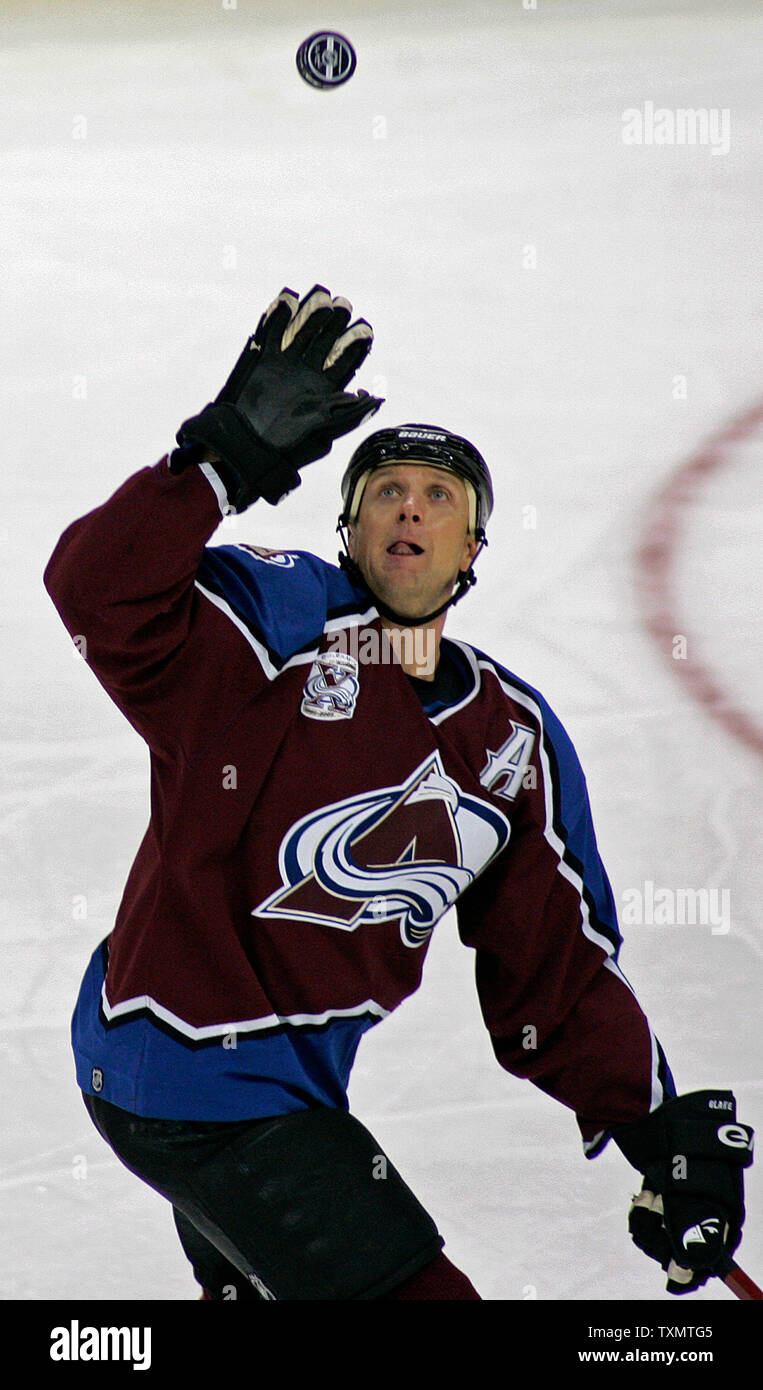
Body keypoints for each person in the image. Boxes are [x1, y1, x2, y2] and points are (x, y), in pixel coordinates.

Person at [44, 285, 752, 1301]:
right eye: (385, 490)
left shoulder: (511, 739)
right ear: (347, 529)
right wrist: (217, 461)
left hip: (287, 1094)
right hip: (187, 1080)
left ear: (472, 553)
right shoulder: (266, 628)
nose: (411, 505)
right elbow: (94, 588)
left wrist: (655, 1127)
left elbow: (552, 978)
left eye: (441, 496)